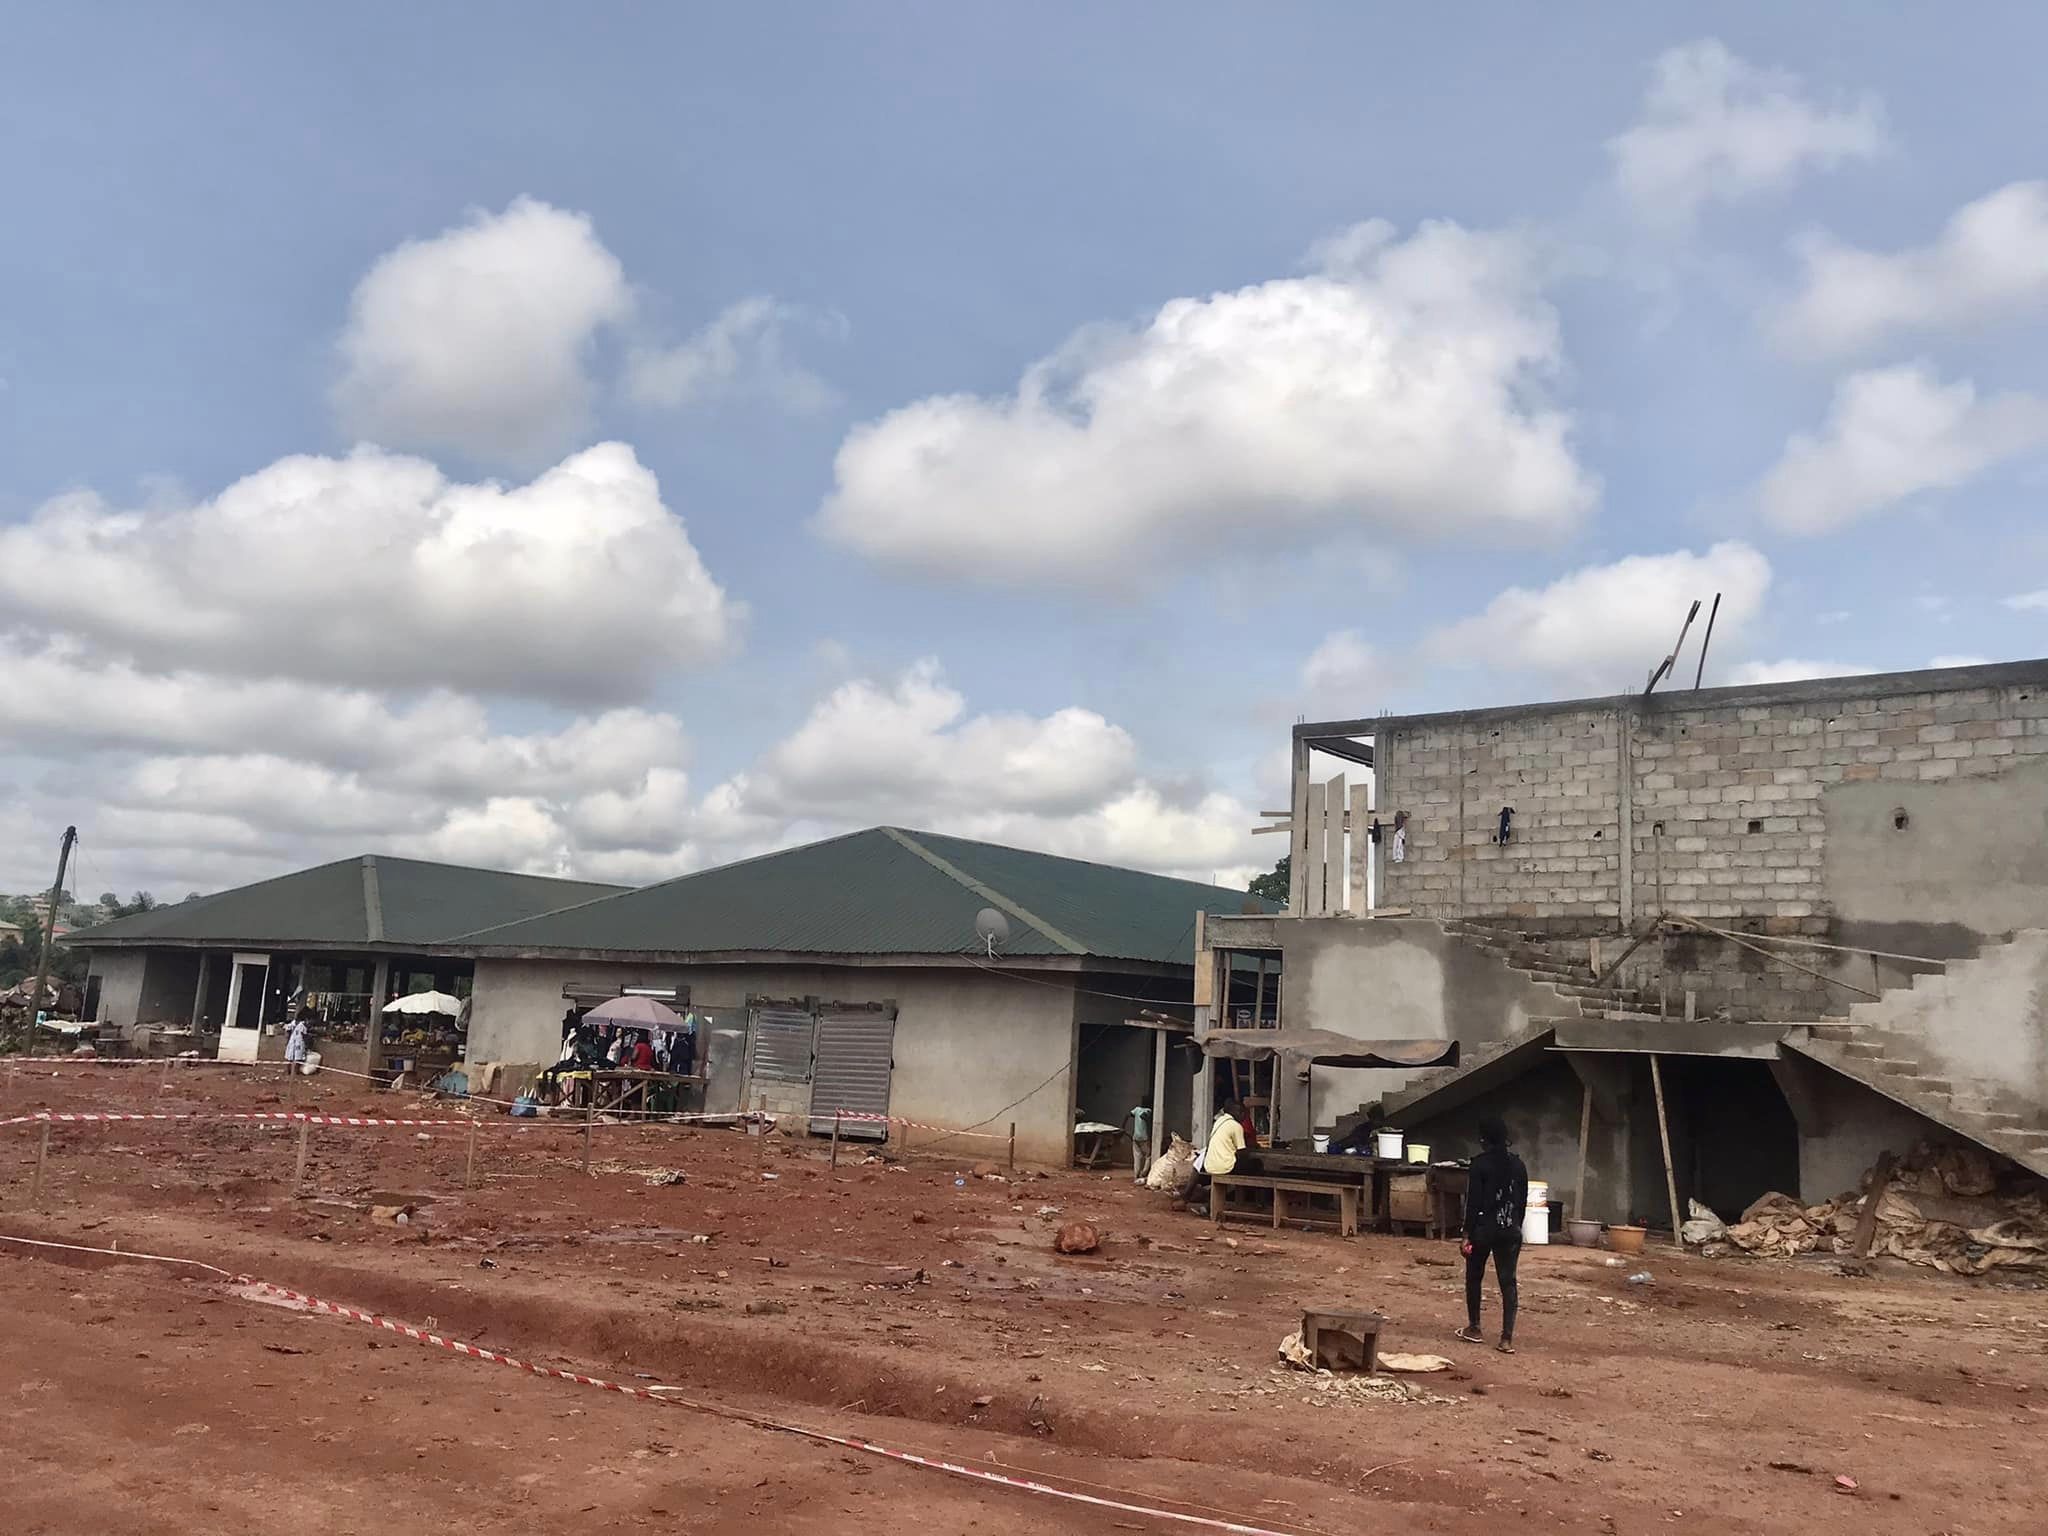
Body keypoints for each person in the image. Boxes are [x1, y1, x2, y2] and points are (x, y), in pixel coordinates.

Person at [1456, 1116, 1529, 1354]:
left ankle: (1475, 1328)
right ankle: (1506, 1338)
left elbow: (1473, 1202)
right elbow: (1522, 1202)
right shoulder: (1518, 1165)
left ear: (1483, 1139)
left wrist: (1467, 1234)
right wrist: (1516, 1228)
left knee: (1474, 1277)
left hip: (1483, 1231)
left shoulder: (1479, 1165)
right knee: (1508, 1282)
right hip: (1510, 1230)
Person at [1125, 1099, 1153, 1183]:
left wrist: (1123, 1126)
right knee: (1149, 1155)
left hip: (1135, 1137)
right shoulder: (1148, 1110)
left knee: (1137, 1157)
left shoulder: (1137, 1109)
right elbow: (1144, 1116)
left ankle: (1136, 1175)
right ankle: (1144, 1173)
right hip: (1144, 1137)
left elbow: (1127, 1115)